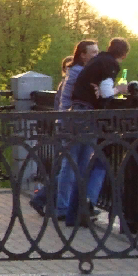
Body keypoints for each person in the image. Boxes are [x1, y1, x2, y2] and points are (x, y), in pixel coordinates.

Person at [64, 37, 130, 225]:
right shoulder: (109, 64)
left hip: (76, 112)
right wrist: (120, 89)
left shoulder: (97, 60)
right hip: (85, 115)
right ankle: (79, 213)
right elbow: (107, 92)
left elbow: (98, 89)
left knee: (79, 166)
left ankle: (73, 215)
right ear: (123, 54)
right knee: (86, 166)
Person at [29, 40, 97, 217]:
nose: (97, 56)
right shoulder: (79, 73)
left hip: (69, 122)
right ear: (83, 54)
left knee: (72, 167)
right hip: (73, 123)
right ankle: (64, 207)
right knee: (71, 167)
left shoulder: (75, 73)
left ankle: (52, 201)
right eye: (94, 53)